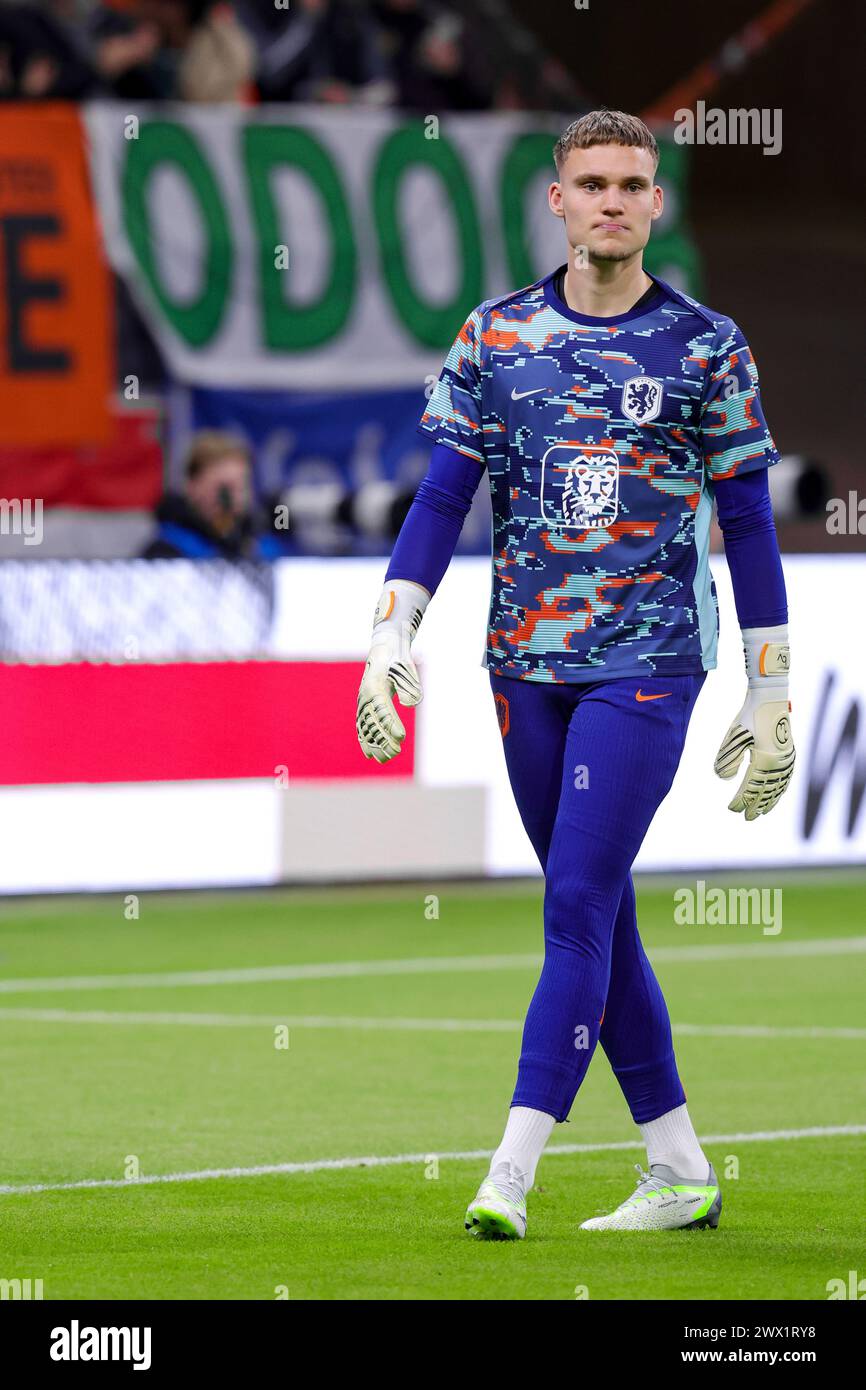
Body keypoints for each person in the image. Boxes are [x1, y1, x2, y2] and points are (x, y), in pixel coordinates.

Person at [355, 109, 795, 1238]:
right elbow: (443, 497)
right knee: (598, 912)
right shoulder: (495, 339)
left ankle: (509, 1165)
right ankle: (678, 1165)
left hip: (646, 662)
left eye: (631, 184)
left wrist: (767, 681)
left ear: (656, 204)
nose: (610, 200)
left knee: (572, 907)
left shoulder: (706, 345)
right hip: (521, 665)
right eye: (590, 181)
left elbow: (745, 520)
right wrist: (392, 628)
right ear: (554, 200)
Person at [141, 430, 281, 559]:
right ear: (192, 486)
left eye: (241, 486)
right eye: (223, 488)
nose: (233, 498)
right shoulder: (167, 550)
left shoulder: (263, 542)